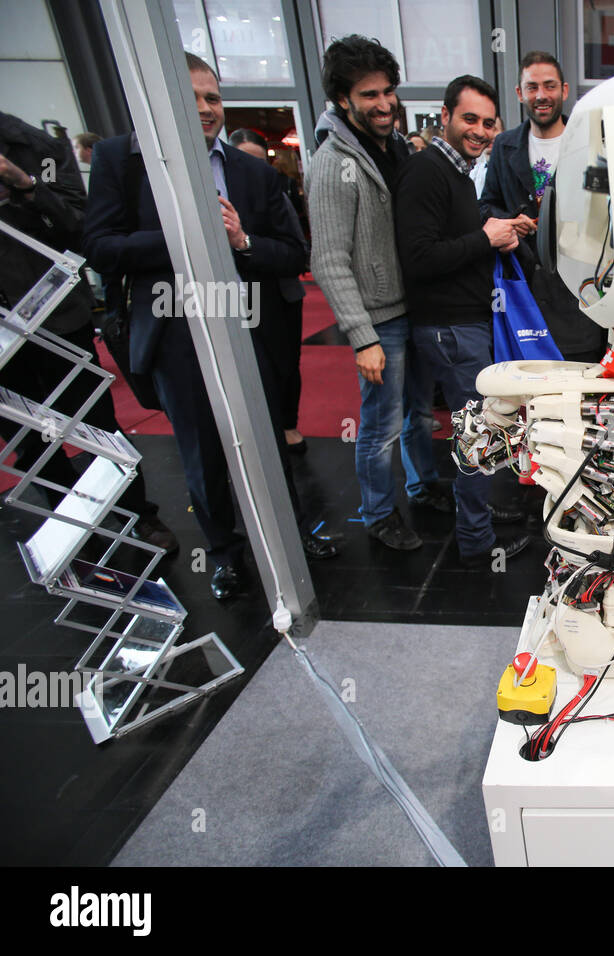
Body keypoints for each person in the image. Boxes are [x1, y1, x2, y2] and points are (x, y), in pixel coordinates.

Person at [83, 54, 338, 600]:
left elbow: (292, 252)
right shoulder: (119, 159)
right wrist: (185, 235)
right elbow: (100, 247)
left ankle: (290, 537)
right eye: (191, 96)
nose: (205, 108)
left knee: (267, 445)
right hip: (175, 334)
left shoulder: (253, 172)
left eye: (213, 98)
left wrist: (242, 242)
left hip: (249, 329)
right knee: (201, 453)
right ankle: (225, 554)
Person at [0, 110, 176, 553]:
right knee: (30, 440)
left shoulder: (37, 146)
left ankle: (139, 515)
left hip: (57, 316)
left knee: (96, 424)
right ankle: (71, 526)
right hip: (3, 337)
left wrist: (24, 186)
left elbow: (80, 228)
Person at [306, 35, 451, 553]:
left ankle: (422, 485)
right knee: (380, 426)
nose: (385, 103)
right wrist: (361, 336)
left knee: (418, 414)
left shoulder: (393, 148)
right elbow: (328, 259)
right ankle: (377, 512)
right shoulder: (332, 162)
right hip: (379, 322)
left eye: (388, 91)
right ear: (342, 99)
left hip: (413, 309)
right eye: (369, 94)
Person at [394, 74, 533, 567]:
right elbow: (419, 257)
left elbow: (449, 240)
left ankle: (476, 514)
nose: (479, 130)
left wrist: (494, 234)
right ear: (446, 116)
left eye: (488, 123)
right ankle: (476, 541)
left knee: (477, 431)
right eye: (469, 119)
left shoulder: (456, 172)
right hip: (450, 329)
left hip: (458, 325)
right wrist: (485, 238)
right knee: (478, 433)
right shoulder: (427, 170)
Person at [479, 51, 605, 365]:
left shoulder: (591, 145)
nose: (541, 95)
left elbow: (607, 213)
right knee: (527, 384)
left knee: (579, 386)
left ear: (564, 90)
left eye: (549, 86)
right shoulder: (504, 145)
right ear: (520, 93)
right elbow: (486, 205)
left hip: (577, 302)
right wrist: (511, 221)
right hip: (522, 299)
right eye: (532, 87)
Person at [230, 128, 309, 456]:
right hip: (232, 297)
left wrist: (245, 243)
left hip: (278, 294)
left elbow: (296, 252)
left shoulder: (275, 192)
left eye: (259, 161)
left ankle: (287, 424)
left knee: (285, 366)